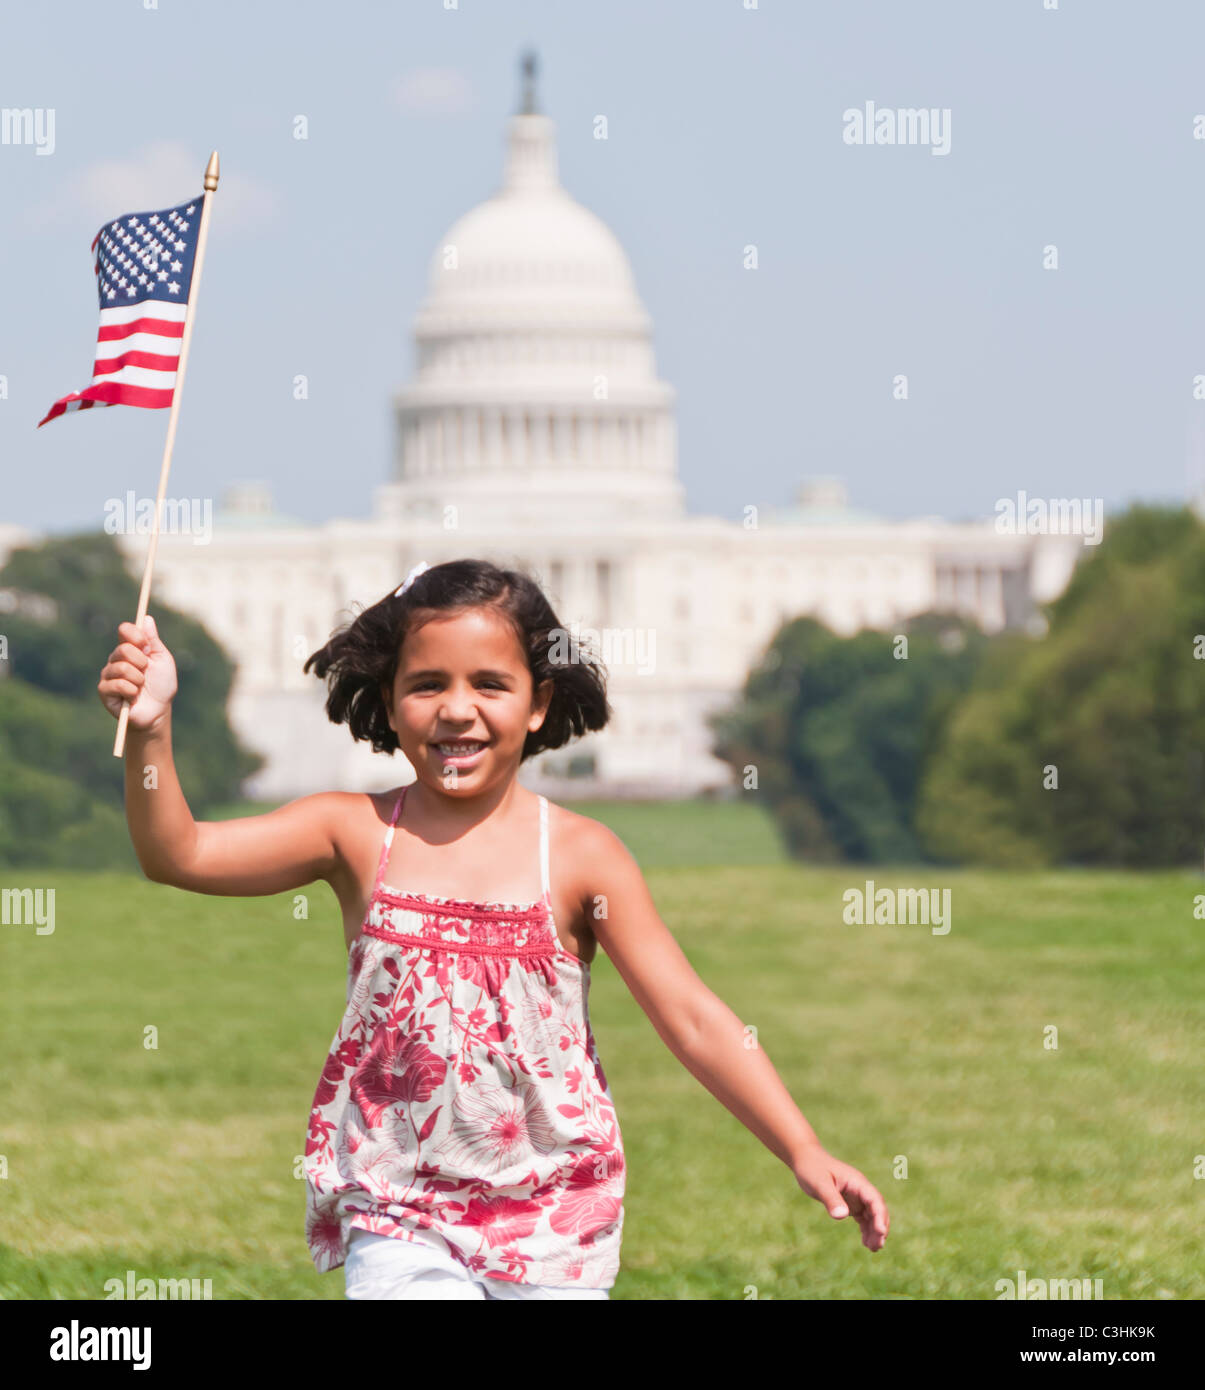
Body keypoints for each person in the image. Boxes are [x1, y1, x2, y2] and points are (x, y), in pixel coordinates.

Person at [98, 557, 889, 1300]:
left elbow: (689, 1016)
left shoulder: (584, 857)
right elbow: (181, 853)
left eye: (489, 684)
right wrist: (152, 728)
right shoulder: (352, 831)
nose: (456, 710)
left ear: (538, 702)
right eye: (427, 684)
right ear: (388, 696)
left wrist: (801, 1146)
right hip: (397, 1201)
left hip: (554, 1210)